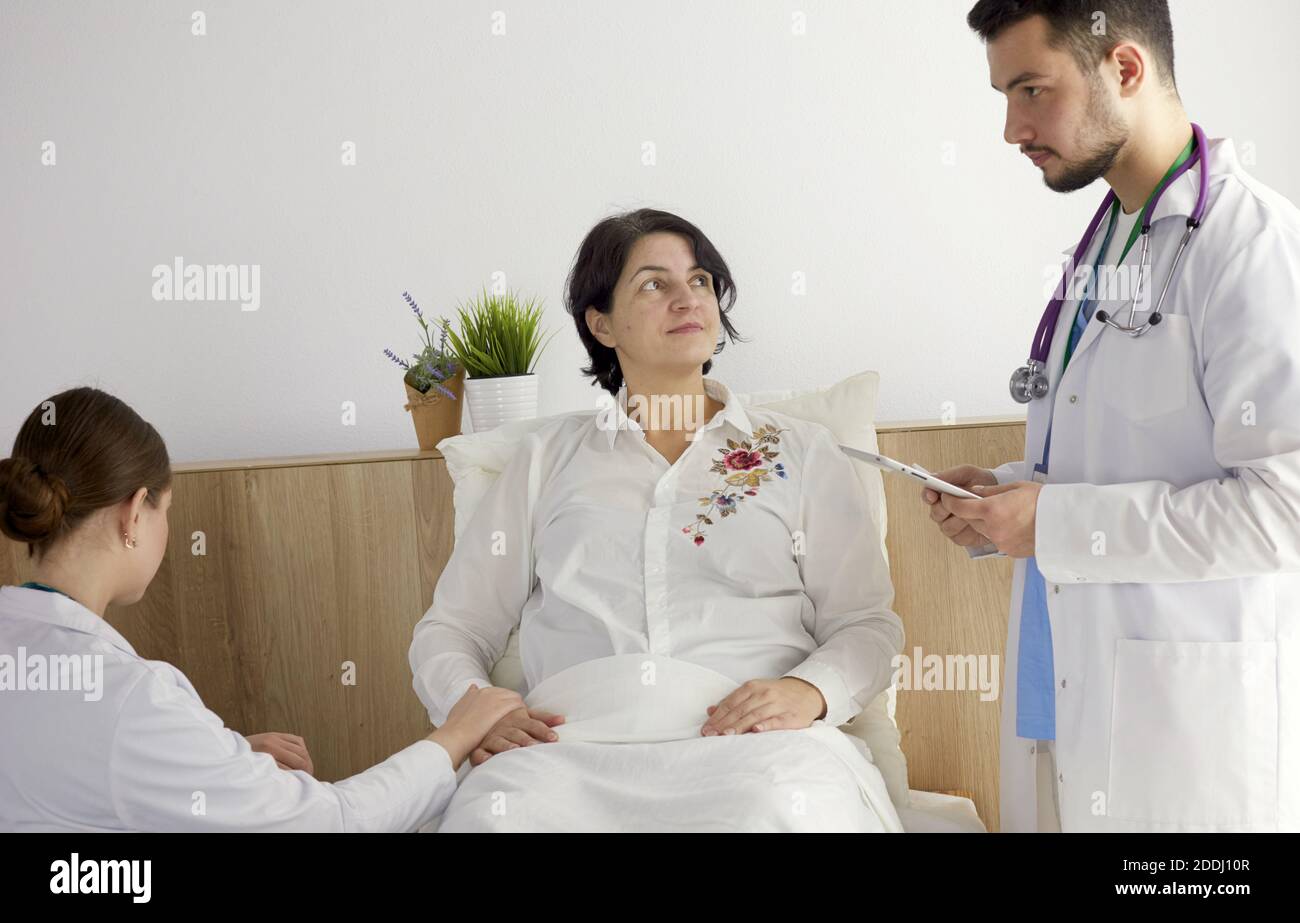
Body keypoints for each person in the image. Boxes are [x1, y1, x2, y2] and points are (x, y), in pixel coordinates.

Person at [923, 0, 1300, 831]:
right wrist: (1008, 499)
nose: (1012, 128)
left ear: (1124, 69)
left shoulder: (1253, 246)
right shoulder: (1110, 241)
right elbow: (1124, 454)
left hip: (1181, 727)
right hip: (1064, 700)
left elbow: (1283, 508)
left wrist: (1052, 520)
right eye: (1003, 96)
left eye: (1031, 89)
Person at [409, 208, 904, 832]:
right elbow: (453, 627)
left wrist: (809, 692)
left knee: (778, 815)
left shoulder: (802, 452)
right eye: (654, 284)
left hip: (758, 750)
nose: (686, 299)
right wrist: (473, 709)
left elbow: (866, 624)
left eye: (699, 281)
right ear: (602, 323)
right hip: (567, 751)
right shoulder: (544, 460)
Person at [0, 386, 523, 831]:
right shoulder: (129, 699)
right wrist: (454, 735)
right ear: (134, 514)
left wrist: (212, 759)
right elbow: (334, 822)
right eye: (167, 510)